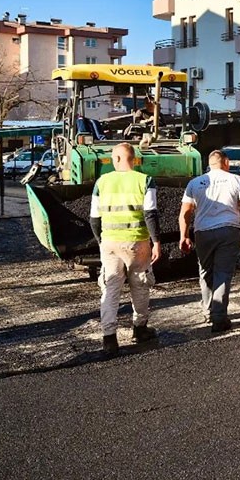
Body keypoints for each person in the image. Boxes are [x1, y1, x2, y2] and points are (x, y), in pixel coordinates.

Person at [88, 142, 162, 357]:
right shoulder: (144, 180)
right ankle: (140, 329)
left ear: (117, 159)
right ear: (134, 159)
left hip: (109, 242)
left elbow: (94, 219)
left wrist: (101, 241)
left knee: (111, 288)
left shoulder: (102, 182)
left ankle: (109, 339)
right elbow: (151, 214)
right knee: (140, 285)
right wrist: (156, 241)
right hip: (137, 243)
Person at [179, 150, 240, 333]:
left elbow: (185, 213)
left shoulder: (195, 183)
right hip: (228, 231)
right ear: (226, 162)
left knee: (206, 271)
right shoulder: (236, 180)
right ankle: (219, 318)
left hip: (203, 233)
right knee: (223, 273)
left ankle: (209, 311)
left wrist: (183, 236)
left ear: (210, 164)